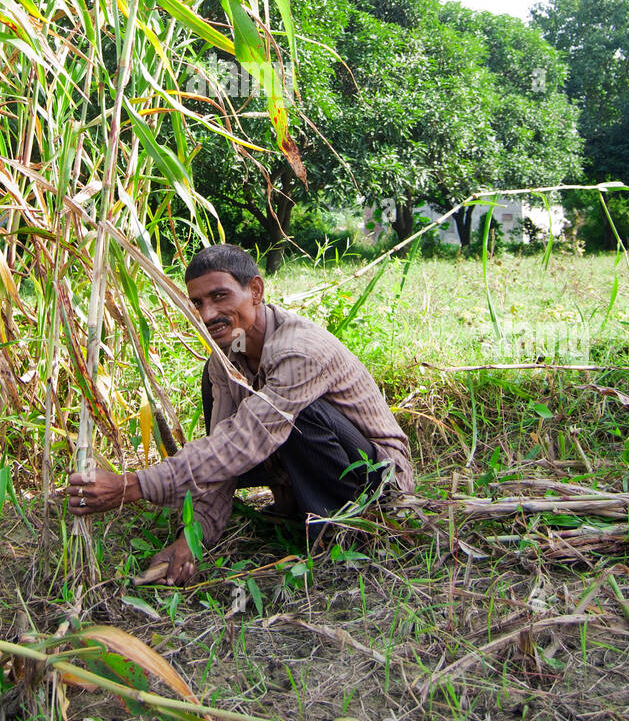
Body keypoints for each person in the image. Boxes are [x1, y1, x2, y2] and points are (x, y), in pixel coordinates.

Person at [66, 244, 414, 585]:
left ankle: (345, 534)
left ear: (256, 290)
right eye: (198, 303)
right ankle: (297, 507)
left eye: (220, 296)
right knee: (229, 396)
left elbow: (246, 440)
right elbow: (223, 451)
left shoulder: (299, 352)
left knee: (295, 413)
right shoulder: (229, 357)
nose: (206, 315)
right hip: (304, 459)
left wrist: (134, 486)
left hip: (378, 482)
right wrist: (193, 537)